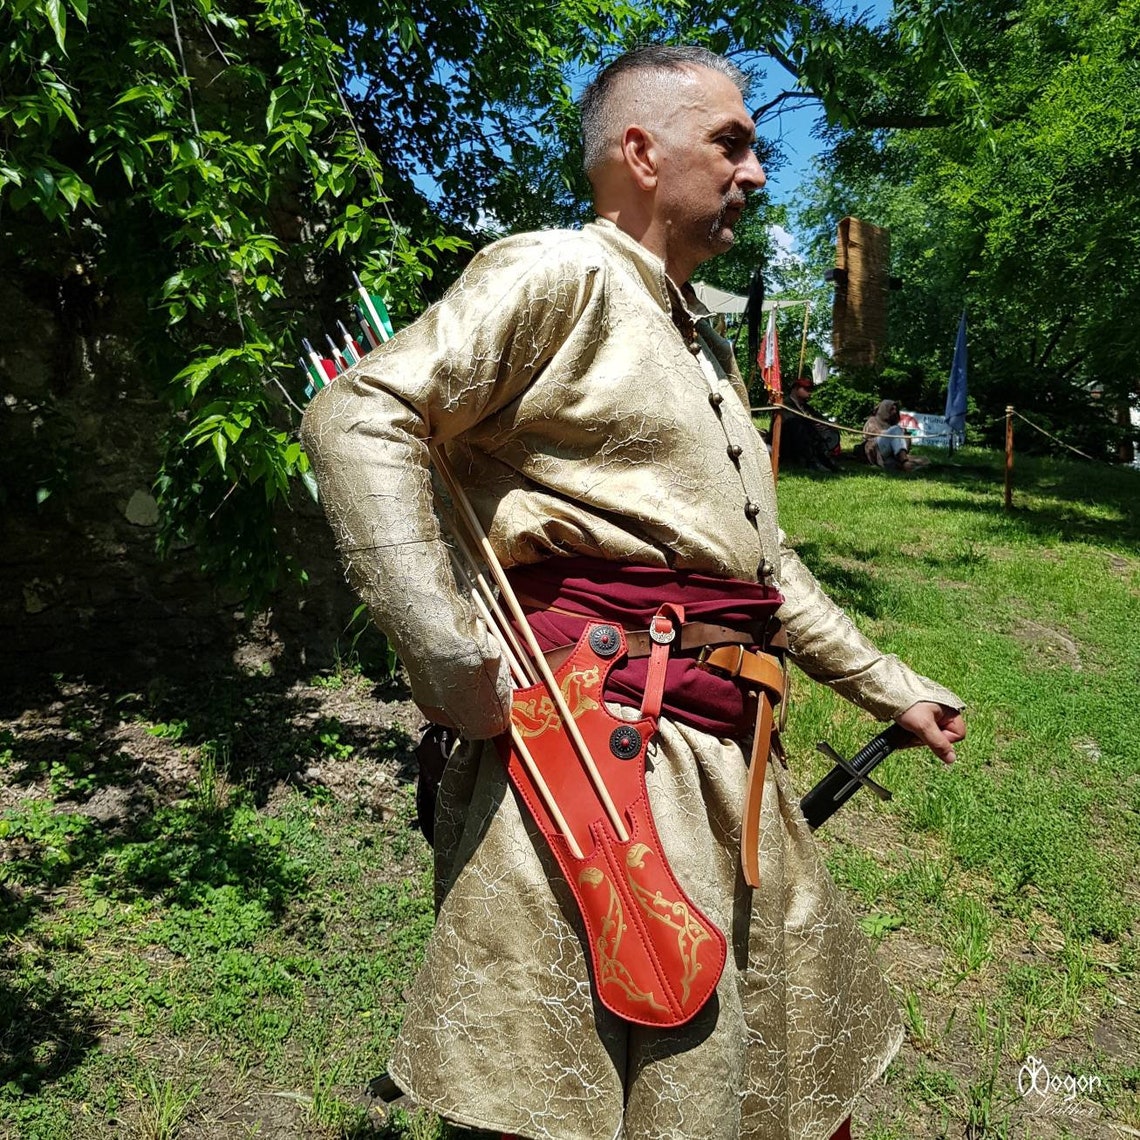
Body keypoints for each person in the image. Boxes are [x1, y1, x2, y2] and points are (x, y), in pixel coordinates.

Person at [302, 45, 965, 1140]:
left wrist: (887, 687)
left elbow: (762, 572)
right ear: (641, 152)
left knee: (742, 1065)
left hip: (719, 754)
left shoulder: (694, 334)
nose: (758, 171)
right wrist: (451, 660)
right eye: (734, 142)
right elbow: (360, 414)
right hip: (606, 750)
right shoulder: (558, 271)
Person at [779, 377, 840, 471]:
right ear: (796, 389)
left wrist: (827, 424)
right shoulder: (785, 405)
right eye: (806, 389)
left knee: (828, 430)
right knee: (800, 428)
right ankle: (811, 461)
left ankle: (827, 460)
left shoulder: (805, 407)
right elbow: (790, 423)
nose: (809, 393)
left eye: (810, 390)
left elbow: (820, 419)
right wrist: (810, 424)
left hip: (808, 437)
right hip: (788, 441)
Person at [862, 399, 926, 472]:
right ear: (884, 409)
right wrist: (892, 432)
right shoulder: (872, 420)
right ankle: (904, 462)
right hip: (876, 450)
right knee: (896, 430)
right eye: (892, 409)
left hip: (889, 453)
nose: (895, 412)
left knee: (924, 460)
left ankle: (901, 461)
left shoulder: (892, 425)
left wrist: (904, 436)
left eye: (896, 409)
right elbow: (873, 434)